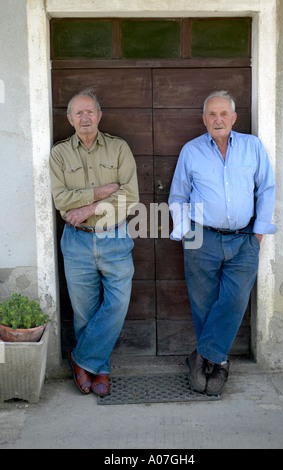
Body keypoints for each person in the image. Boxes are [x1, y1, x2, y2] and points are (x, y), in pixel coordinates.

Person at [168, 90, 276, 396]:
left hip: (245, 239)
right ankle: (219, 362)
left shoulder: (252, 146)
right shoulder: (191, 151)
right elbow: (178, 195)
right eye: (212, 114)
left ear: (234, 118)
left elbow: (266, 187)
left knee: (233, 300)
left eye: (223, 114)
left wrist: (259, 231)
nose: (218, 120)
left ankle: (204, 357)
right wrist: (185, 232)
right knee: (203, 304)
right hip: (201, 236)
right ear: (204, 119)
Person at [49, 89, 139, 396]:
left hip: (114, 236)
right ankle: (99, 370)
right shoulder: (60, 154)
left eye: (90, 112)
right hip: (77, 242)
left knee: (117, 303)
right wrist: (101, 193)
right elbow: (61, 199)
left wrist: (88, 208)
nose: (85, 117)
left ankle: (82, 358)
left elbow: (130, 197)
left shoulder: (118, 148)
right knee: (84, 311)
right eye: (79, 113)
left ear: (99, 116)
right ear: (70, 119)